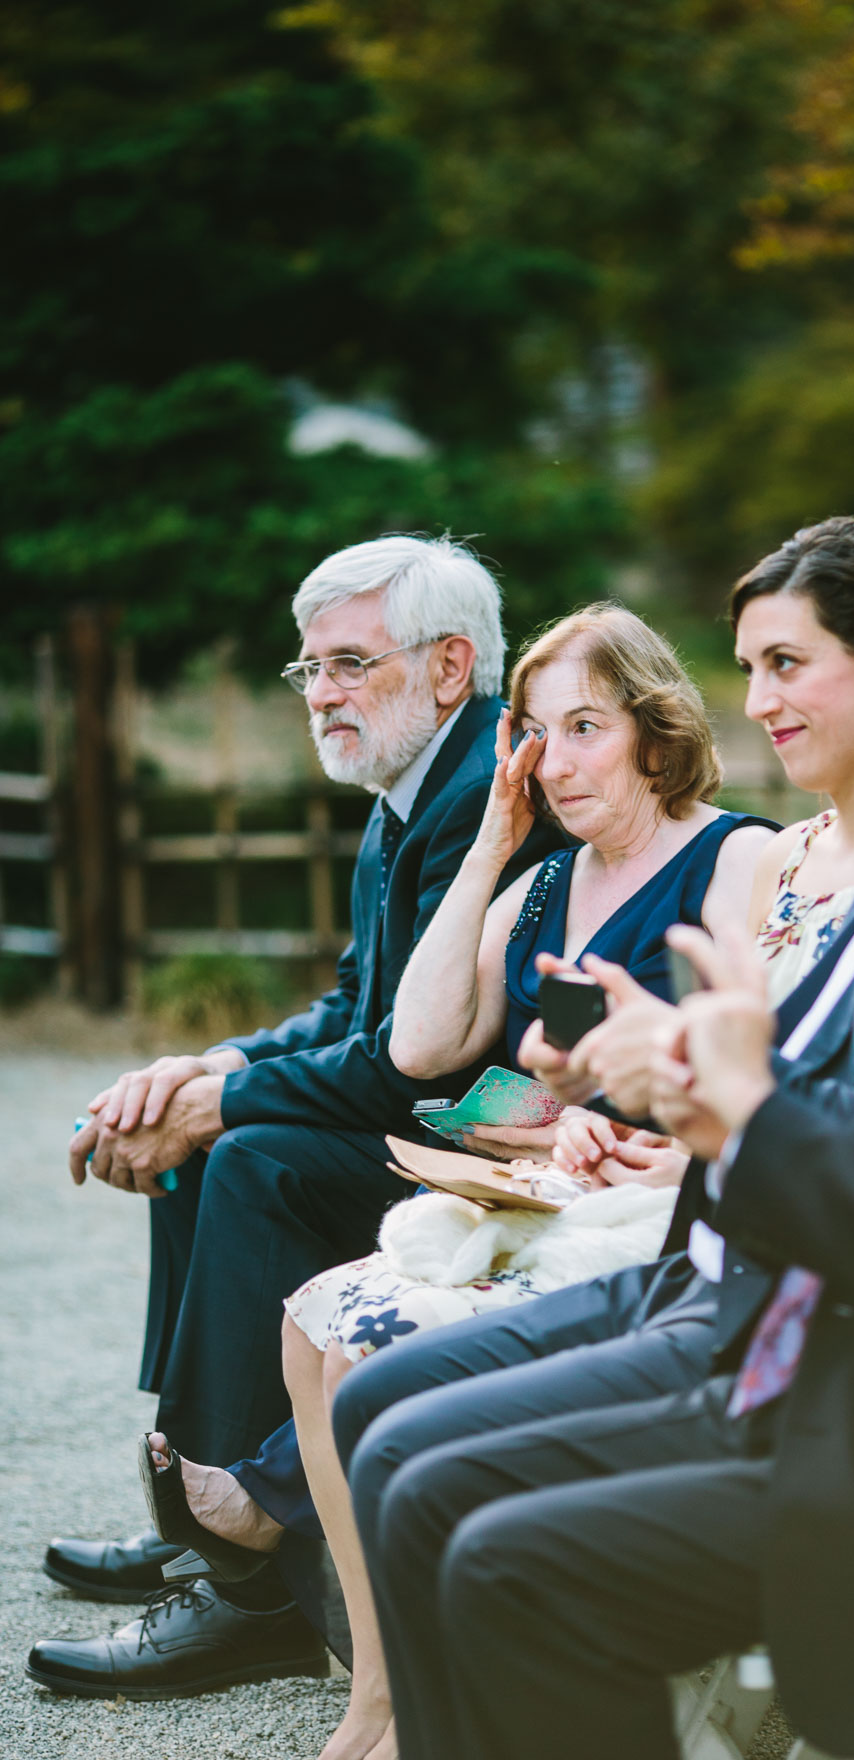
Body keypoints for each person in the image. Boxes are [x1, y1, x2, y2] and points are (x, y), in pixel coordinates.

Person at [307, 497, 854, 1759]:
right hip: (744, 1273)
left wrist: (731, 1116)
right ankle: (392, 1707)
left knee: (465, 1507)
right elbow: (419, 1046)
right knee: (387, 1411)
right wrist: (691, 1086)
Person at [46, 536, 563, 1632]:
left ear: (448, 664)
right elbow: (348, 1003)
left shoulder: (491, 795)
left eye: (349, 664)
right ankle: (202, 1491)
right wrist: (207, 1065)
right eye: (308, 668)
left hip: (490, 1146)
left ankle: (251, 1579)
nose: (319, 693)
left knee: (252, 1155)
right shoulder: (410, 779)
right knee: (212, 1139)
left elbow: (422, 1066)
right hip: (420, 1118)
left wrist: (217, 1107)